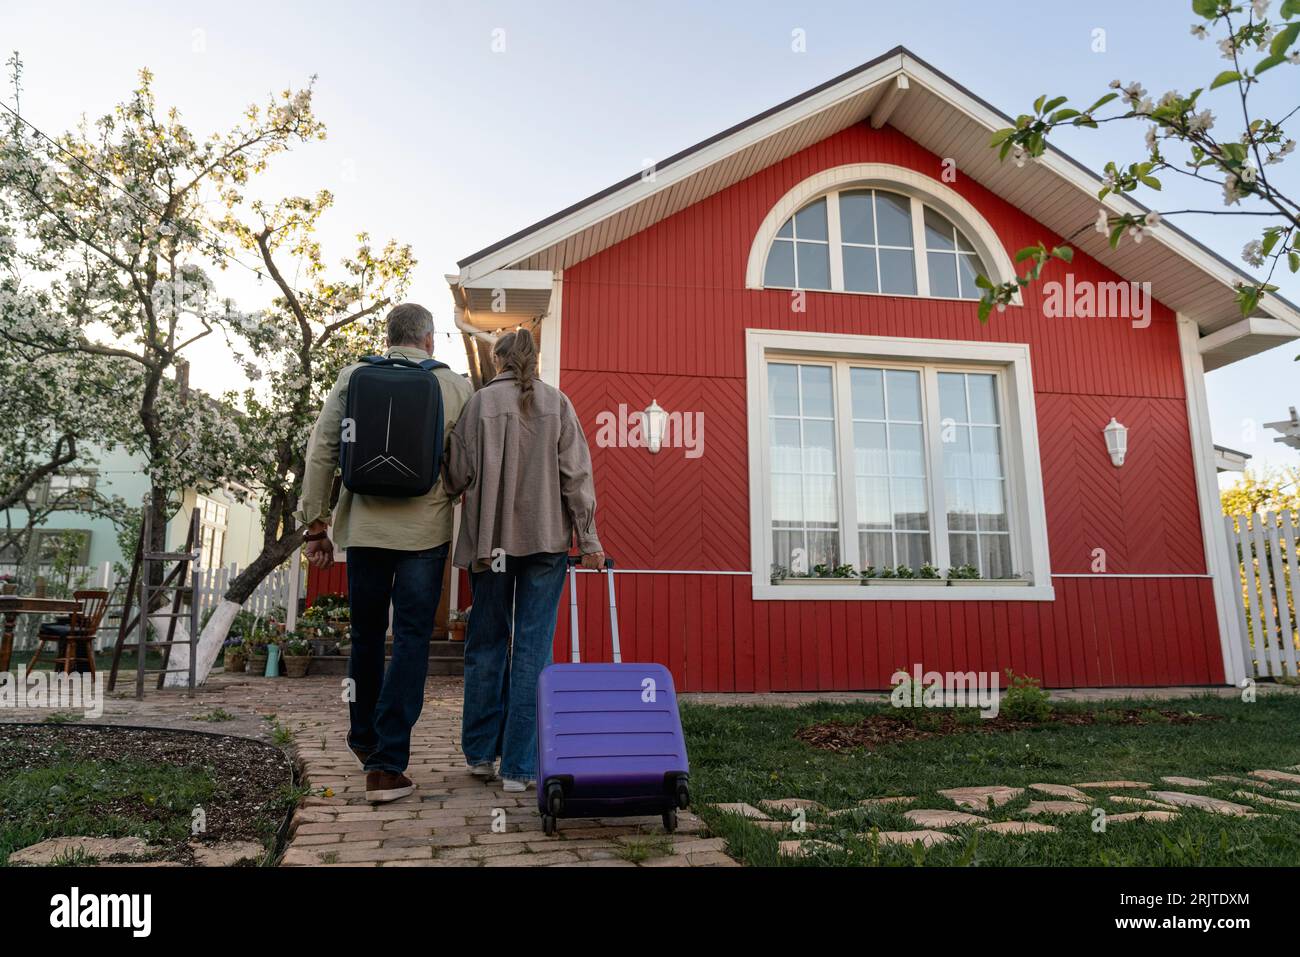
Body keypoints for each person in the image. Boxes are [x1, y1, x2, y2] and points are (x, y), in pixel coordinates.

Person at [298, 302, 473, 803]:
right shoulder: (455, 385)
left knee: (367, 636)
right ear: (430, 341)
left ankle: (364, 739)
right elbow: (464, 467)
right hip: (424, 533)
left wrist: (316, 526)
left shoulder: (354, 377)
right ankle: (388, 762)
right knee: (412, 639)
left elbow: (322, 451)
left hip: (365, 531)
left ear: (388, 336)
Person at [444, 330, 603, 792]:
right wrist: (588, 541)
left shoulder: (477, 405)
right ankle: (518, 767)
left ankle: (479, 755)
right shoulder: (559, 404)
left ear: (499, 361)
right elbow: (577, 477)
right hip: (546, 543)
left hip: (490, 545)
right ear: (534, 361)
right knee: (534, 649)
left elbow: (456, 476)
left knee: (486, 643)